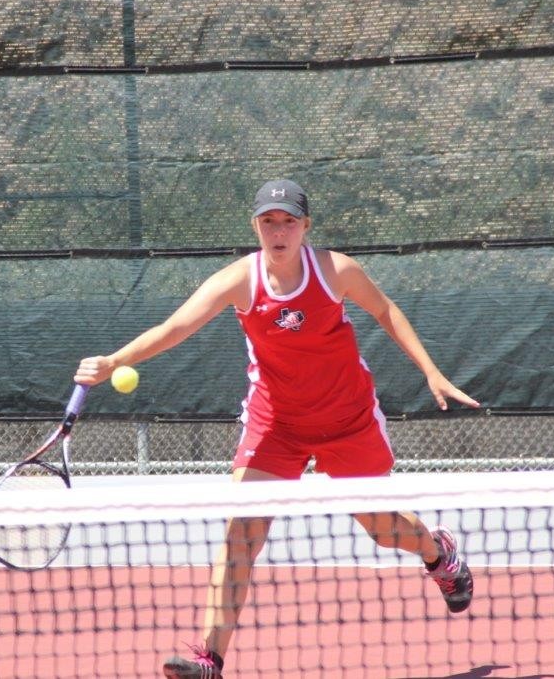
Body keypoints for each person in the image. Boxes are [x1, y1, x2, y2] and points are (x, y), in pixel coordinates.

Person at [74, 179, 479, 679]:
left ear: (305, 226)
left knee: (382, 529)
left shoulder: (335, 270)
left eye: (289, 222)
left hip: (347, 420)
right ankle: (209, 658)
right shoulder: (239, 281)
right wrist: (114, 361)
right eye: (269, 222)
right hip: (276, 424)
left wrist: (431, 371)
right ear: (256, 226)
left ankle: (439, 553)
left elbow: (385, 310)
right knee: (241, 533)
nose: (279, 231)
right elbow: (175, 328)